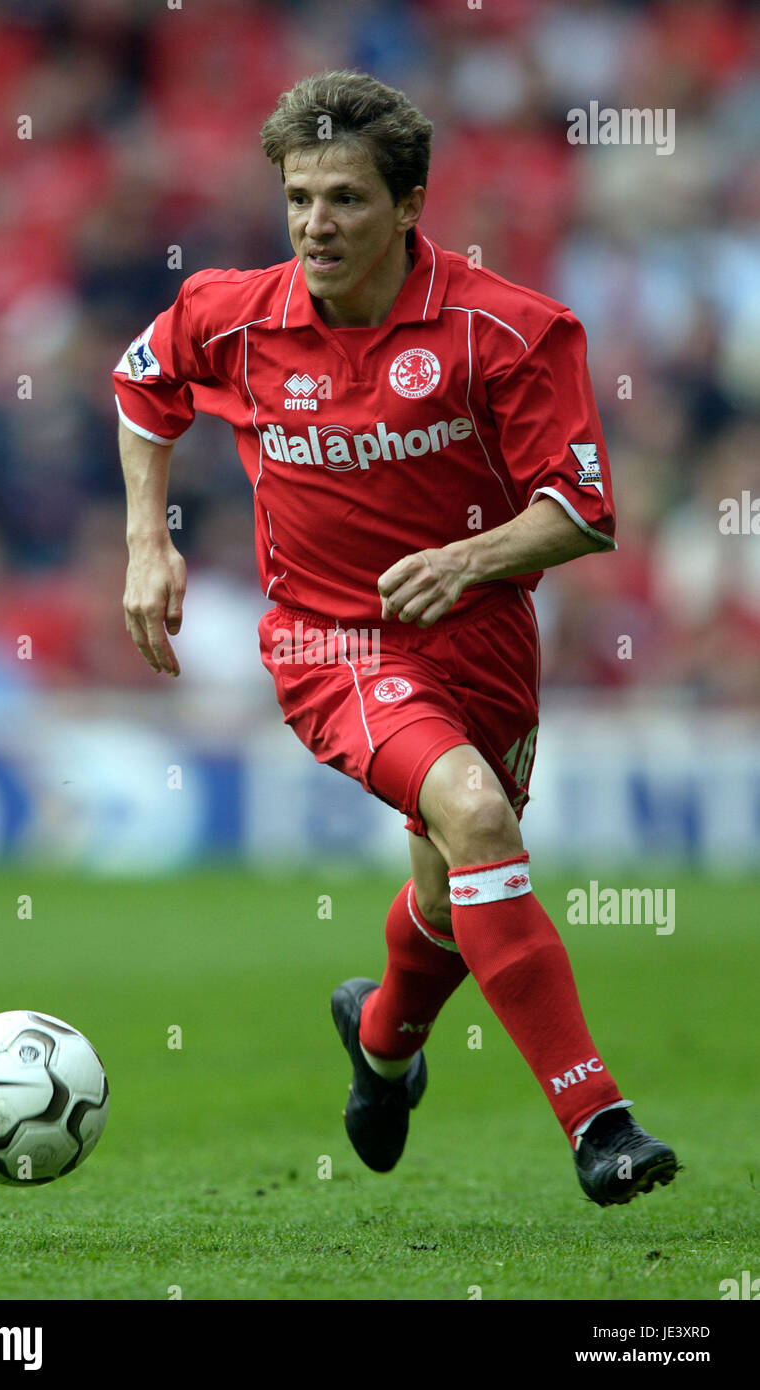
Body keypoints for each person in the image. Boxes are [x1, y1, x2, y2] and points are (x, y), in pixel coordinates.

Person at [113, 70, 678, 1206]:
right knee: (476, 814)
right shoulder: (233, 314)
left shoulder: (506, 331)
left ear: (410, 203)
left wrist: (469, 558)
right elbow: (141, 383)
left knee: (450, 891)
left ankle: (378, 1047)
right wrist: (145, 541)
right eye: (298, 198)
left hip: (482, 640)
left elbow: (581, 510)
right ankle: (598, 1121)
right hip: (330, 645)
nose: (315, 225)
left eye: (346, 199)